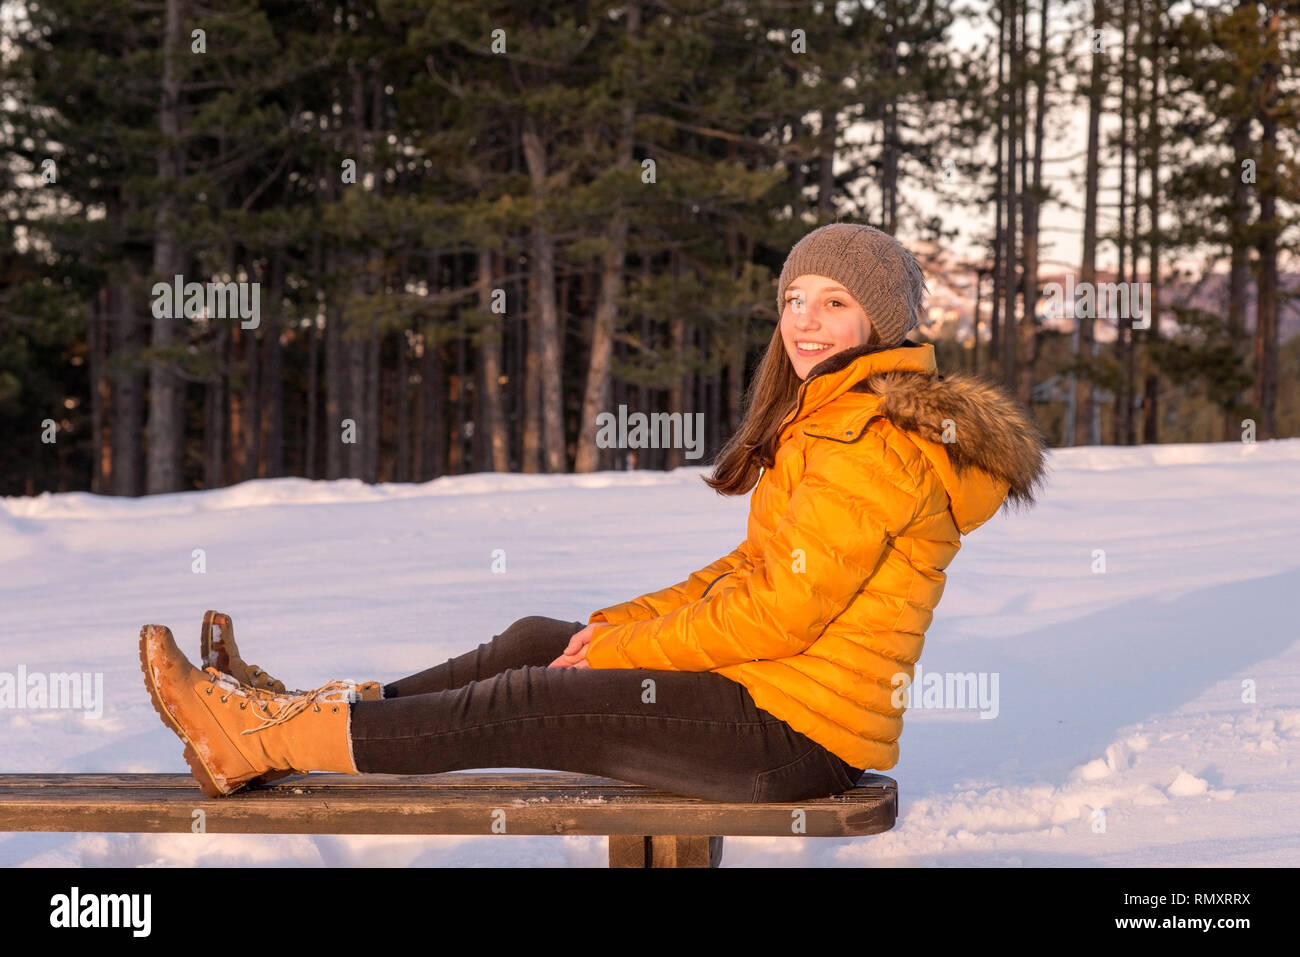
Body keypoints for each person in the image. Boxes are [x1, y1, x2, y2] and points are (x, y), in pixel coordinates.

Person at [140, 222, 1049, 804]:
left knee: (531, 696)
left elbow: (785, 610)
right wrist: (620, 625)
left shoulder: (872, 444)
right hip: (770, 702)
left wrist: (615, 654)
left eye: (835, 303)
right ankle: (291, 709)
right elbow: (748, 575)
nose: (804, 322)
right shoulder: (834, 419)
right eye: (793, 300)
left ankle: (258, 737)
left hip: (795, 737)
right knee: (540, 637)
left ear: (882, 323)